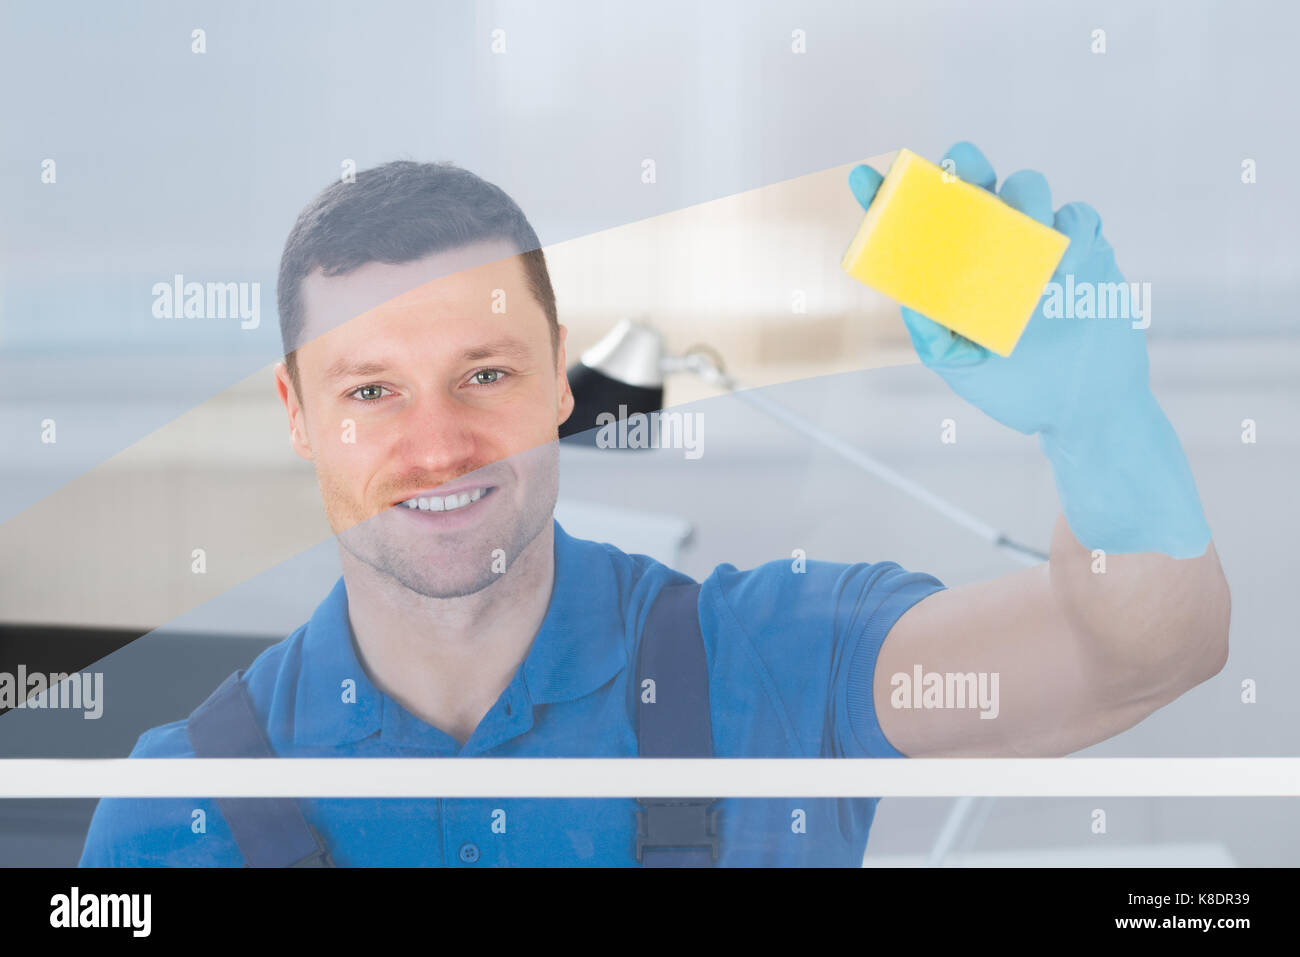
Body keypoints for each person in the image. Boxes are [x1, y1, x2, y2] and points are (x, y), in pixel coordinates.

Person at [79, 143, 1231, 867]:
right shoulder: (182, 810)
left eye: (486, 374)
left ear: (560, 374)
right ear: (294, 411)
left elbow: (1131, 658)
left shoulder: (776, 668)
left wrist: (1099, 431)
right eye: (371, 392)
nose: (439, 446)